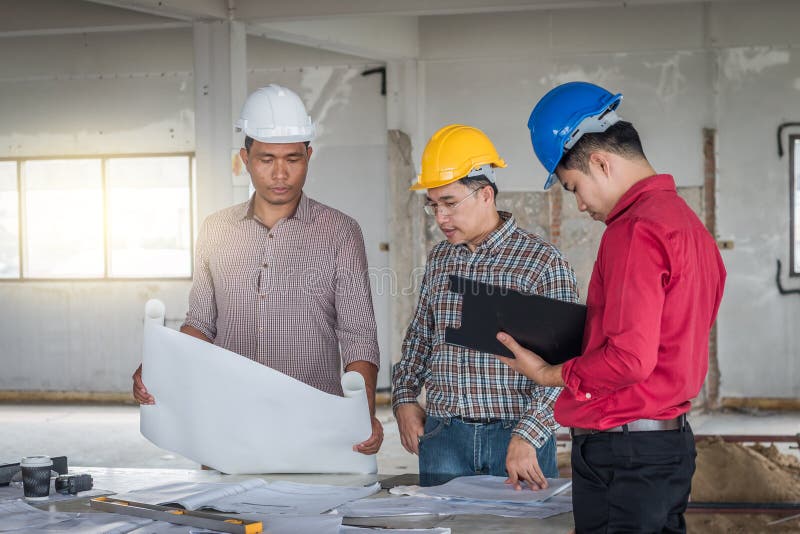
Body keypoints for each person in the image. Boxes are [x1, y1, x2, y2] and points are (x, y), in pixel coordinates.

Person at [495, 81, 726, 532]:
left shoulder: (634, 229)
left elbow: (628, 359)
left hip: (623, 457)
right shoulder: (690, 227)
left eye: (573, 187)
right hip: (666, 448)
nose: (580, 204)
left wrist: (548, 373)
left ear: (600, 162)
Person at [133, 84, 383, 455]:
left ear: (309, 155)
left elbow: (357, 333)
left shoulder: (340, 232)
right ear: (245, 158)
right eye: (267, 159)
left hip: (313, 421)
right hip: (226, 420)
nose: (280, 173)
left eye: (293, 159)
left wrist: (361, 413)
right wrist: (159, 364)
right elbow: (201, 323)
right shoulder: (215, 229)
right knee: (223, 512)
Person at [392, 124, 579, 489]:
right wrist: (403, 399)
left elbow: (566, 366)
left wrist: (529, 434)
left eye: (449, 203)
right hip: (443, 439)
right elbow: (420, 338)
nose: (441, 218)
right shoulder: (441, 259)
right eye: (434, 206)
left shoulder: (542, 263)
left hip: (514, 440)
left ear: (485, 195)